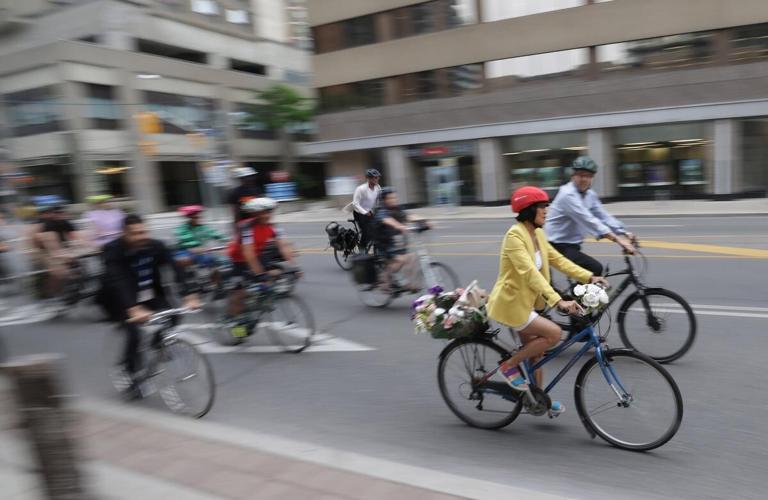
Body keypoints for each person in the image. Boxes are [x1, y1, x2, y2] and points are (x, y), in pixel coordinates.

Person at [486, 186, 609, 417]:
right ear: (529, 210)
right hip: (513, 305)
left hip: (531, 304)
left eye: (546, 206)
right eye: (543, 206)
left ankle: (537, 400)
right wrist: (558, 301)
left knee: (536, 354)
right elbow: (529, 273)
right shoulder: (515, 236)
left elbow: (559, 260)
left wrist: (589, 276)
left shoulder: (538, 234)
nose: (547, 210)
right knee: (553, 335)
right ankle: (509, 366)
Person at [98, 214, 200, 398]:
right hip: (118, 298)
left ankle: (157, 344)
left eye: (143, 232)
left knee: (174, 314)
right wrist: (132, 307)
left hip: (149, 293)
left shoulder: (155, 246)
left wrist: (189, 294)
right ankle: (129, 371)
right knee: (134, 334)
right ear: (124, 234)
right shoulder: (112, 251)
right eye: (135, 234)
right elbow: (118, 279)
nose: (141, 237)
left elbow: (175, 267)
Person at [545, 156, 635, 277]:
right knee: (595, 269)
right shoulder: (567, 194)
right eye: (581, 175)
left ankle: (579, 295)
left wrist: (624, 232)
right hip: (556, 245)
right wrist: (618, 240)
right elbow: (588, 219)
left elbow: (603, 216)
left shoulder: (590, 194)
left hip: (572, 245)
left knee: (587, 279)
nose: (584, 179)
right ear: (573, 176)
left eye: (588, 176)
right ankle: (579, 296)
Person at [226, 197, 299, 339]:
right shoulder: (246, 227)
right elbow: (248, 253)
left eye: (268, 212)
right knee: (240, 293)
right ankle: (233, 321)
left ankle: (258, 303)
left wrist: (294, 266)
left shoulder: (274, 227)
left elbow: (283, 245)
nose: (266, 215)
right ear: (255, 214)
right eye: (262, 212)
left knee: (275, 275)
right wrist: (259, 274)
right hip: (239, 260)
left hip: (258, 256)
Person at [372, 188, 422, 293]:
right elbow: (387, 220)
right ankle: (384, 278)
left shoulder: (397, 209)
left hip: (396, 244)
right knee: (402, 259)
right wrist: (399, 226)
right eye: (390, 198)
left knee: (412, 257)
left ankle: (410, 284)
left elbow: (409, 216)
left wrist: (425, 221)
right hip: (384, 246)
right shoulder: (381, 211)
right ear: (384, 200)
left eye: (394, 197)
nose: (393, 200)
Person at [350, 169, 381, 251]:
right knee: (366, 231)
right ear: (368, 179)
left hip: (370, 211)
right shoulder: (360, 189)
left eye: (377, 178)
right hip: (359, 212)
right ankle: (362, 248)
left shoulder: (378, 188)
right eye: (374, 178)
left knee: (377, 227)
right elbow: (355, 204)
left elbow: (379, 200)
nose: (376, 179)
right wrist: (365, 212)